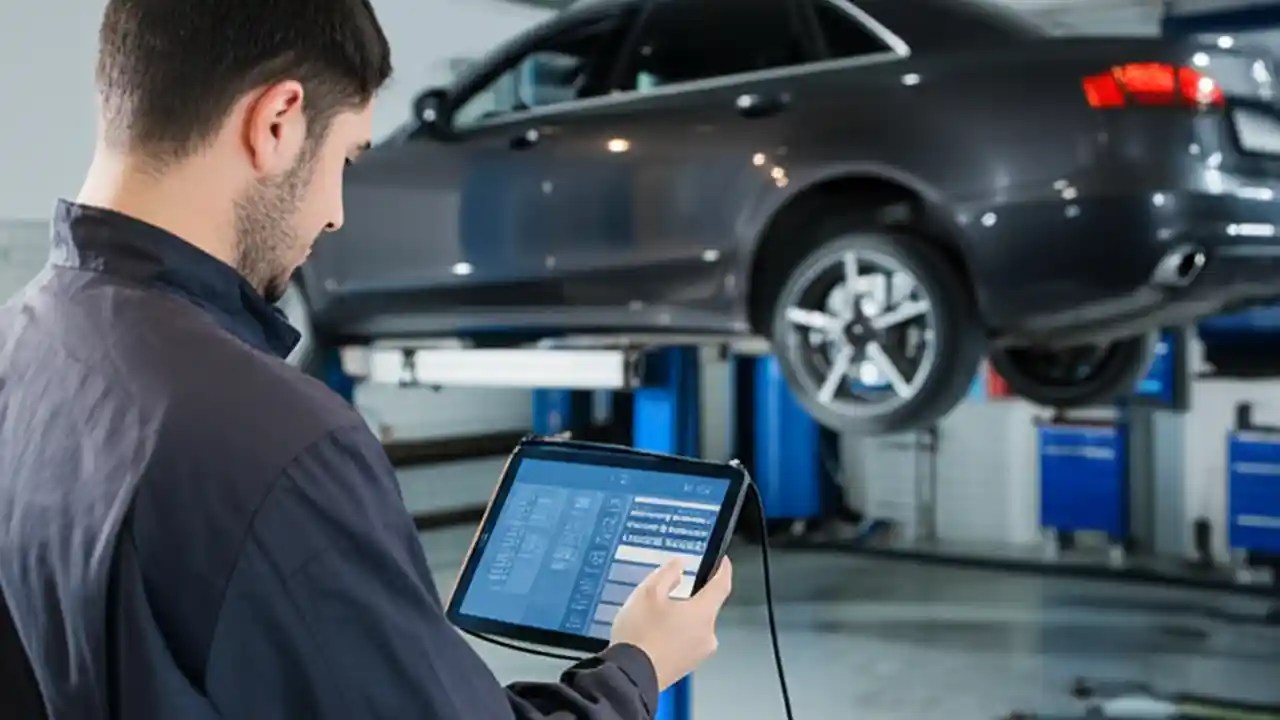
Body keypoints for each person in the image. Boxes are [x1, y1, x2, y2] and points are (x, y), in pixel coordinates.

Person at [0, 1, 734, 718]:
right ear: (278, 121)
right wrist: (638, 665)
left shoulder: (18, 347)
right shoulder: (280, 446)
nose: (336, 212)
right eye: (347, 158)